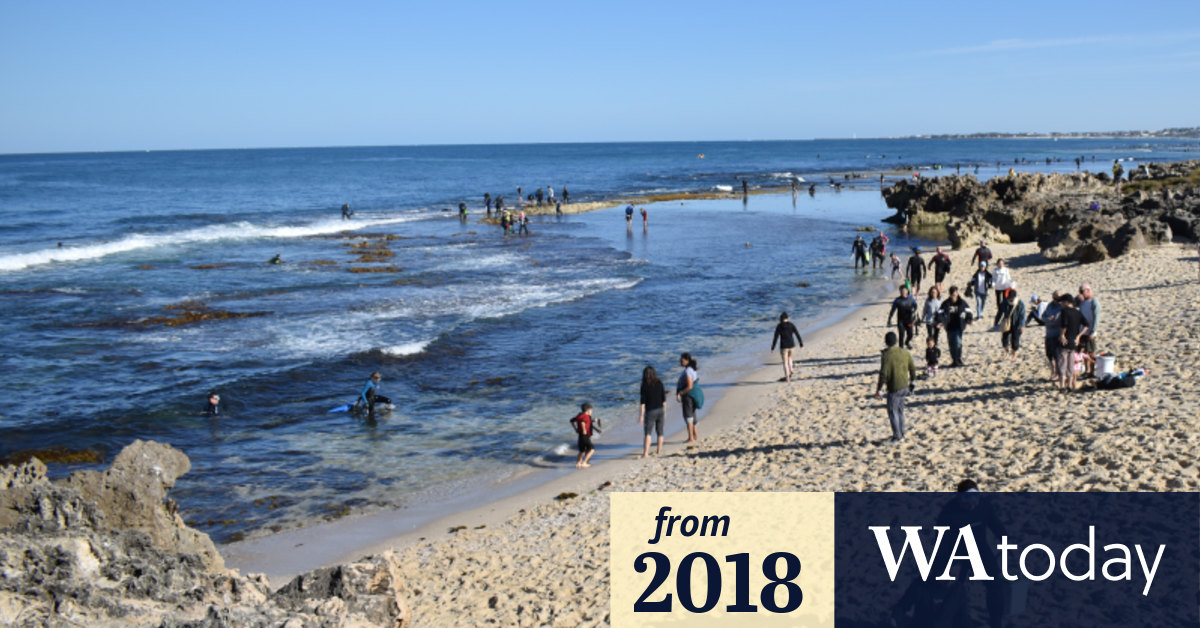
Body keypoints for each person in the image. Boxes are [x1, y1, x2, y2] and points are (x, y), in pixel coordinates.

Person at [874, 331, 916, 442]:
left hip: (894, 387)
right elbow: (912, 368)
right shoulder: (905, 352)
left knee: (892, 412)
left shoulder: (886, 355)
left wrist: (879, 388)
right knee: (900, 411)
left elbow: (883, 373)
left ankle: (897, 436)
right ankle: (902, 432)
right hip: (904, 386)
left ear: (886, 342)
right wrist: (912, 382)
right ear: (896, 341)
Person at [1056, 295, 1089, 392]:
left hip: (1065, 341)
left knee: (1062, 363)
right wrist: (1079, 336)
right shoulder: (1077, 312)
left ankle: (1062, 386)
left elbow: (1064, 324)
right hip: (1074, 342)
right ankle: (1069, 385)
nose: (1061, 304)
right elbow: (1086, 325)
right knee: (1070, 364)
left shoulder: (1064, 311)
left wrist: (1062, 335)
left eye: (1063, 302)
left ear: (1067, 302)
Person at [938, 286, 973, 367]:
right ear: (950, 294)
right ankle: (954, 360)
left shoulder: (962, 302)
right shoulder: (946, 303)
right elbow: (939, 313)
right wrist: (940, 321)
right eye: (952, 295)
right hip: (949, 326)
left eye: (955, 294)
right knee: (951, 344)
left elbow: (969, 311)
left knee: (958, 343)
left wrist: (969, 319)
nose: (953, 296)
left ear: (957, 293)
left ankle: (958, 358)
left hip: (959, 326)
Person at [638, 366, 667, 458]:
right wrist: (665, 412)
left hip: (650, 411)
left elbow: (642, 403)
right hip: (660, 409)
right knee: (660, 431)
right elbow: (664, 399)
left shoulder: (644, 385)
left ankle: (646, 453)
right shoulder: (660, 383)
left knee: (648, 433)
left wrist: (641, 416)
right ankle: (659, 450)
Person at [770, 312, 804, 382]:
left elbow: (775, 337)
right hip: (791, 345)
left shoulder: (779, 326)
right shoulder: (791, 325)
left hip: (784, 346)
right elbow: (797, 334)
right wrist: (801, 344)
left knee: (785, 362)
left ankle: (787, 378)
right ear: (787, 318)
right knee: (790, 358)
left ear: (780, 319)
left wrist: (773, 347)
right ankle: (791, 369)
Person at [675, 353, 700, 443]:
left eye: (682, 360)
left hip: (688, 396)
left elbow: (690, 386)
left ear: (687, 360)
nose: (680, 362)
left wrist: (680, 393)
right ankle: (695, 435)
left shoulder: (688, 371)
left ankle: (691, 437)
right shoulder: (692, 369)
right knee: (693, 414)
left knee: (688, 416)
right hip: (693, 395)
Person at [1077, 283, 1101, 377]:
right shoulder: (1082, 302)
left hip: (1090, 330)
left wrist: (1094, 331)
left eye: (1082, 292)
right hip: (1082, 330)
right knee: (1084, 352)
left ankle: (1091, 371)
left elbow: (1097, 317)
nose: (1081, 294)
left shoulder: (1094, 301)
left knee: (1091, 352)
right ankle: (1087, 371)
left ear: (1088, 291)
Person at [1040, 291, 1064, 379]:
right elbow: (1043, 316)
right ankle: (1053, 371)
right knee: (1049, 354)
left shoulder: (1061, 306)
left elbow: (1056, 318)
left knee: (1057, 355)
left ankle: (1057, 373)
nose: (1055, 300)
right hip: (1048, 332)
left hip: (1057, 333)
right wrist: (1047, 319)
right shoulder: (1050, 305)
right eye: (1054, 298)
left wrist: (1049, 319)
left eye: (1057, 298)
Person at [887, 285, 919, 349]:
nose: (903, 292)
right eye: (902, 291)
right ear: (900, 292)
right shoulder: (897, 300)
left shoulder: (911, 298)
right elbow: (893, 310)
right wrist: (889, 319)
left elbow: (915, 305)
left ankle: (907, 342)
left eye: (904, 291)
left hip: (909, 320)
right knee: (901, 335)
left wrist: (914, 310)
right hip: (901, 320)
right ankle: (901, 349)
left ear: (907, 291)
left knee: (910, 335)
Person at [997, 288, 1026, 360]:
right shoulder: (1004, 302)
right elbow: (999, 313)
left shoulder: (1020, 303)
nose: (1011, 300)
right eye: (1009, 298)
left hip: (1016, 324)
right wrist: (996, 322)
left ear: (1015, 297)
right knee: (1004, 340)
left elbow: (1022, 315)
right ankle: (1007, 353)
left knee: (1015, 340)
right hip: (1007, 323)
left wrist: (1022, 325)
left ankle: (1014, 355)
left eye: (1012, 298)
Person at [570, 402, 600, 469]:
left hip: (580, 436)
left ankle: (578, 463)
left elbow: (572, 421)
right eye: (591, 410)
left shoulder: (579, 415)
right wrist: (584, 430)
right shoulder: (585, 416)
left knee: (581, 450)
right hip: (585, 435)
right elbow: (583, 422)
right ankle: (584, 463)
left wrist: (575, 429)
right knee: (591, 449)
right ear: (588, 410)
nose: (591, 412)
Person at [990, 259, 1013, 327]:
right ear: (997, 264)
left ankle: (1004, 320)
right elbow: (993, 278)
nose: (1000, 265)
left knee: (1005, 303)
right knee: (999, 304)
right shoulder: (995, 270)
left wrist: (1010, 285)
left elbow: (1008, 278)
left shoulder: (1006, 270)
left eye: (1001, 263)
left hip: (1005, 288)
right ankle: (997, 320)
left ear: (1003, 264)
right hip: (998, 288)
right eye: (999, 263)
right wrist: (993, 284)